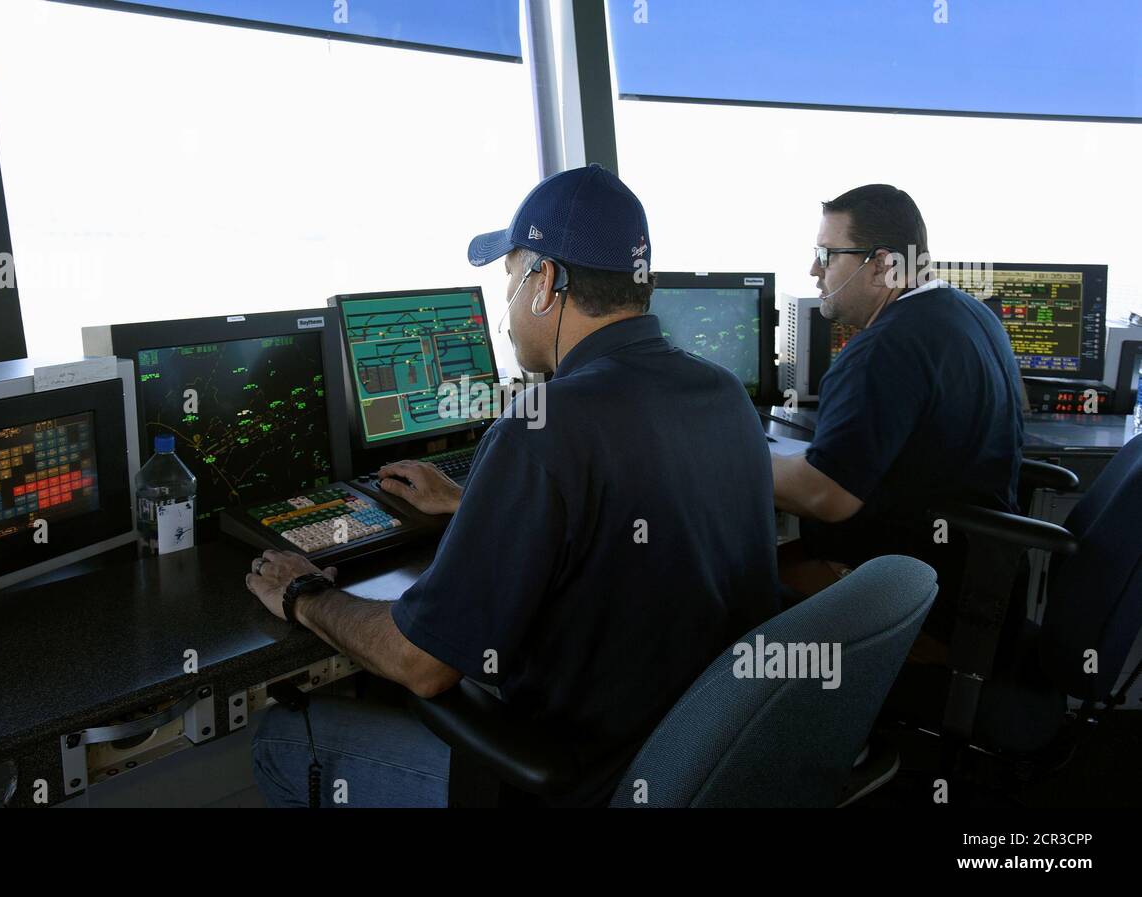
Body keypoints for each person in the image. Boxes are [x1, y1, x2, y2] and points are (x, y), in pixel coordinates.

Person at [247, 164, 780, 807]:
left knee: (282, 737)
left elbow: (420, 663)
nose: (507, 308)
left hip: (578, 779)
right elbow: (629, 523)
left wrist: (302, 594)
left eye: (510, 282)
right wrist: (478, 501)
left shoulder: (544, 427)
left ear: (546, 282)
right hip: (698, 758)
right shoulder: (721, 393)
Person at [771, 184, 1025, 649]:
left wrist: (726, 457)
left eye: (827, 255)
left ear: (883, 263)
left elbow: (828, 497)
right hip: (973, 581)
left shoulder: (886, 349)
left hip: (912, 595)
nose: (814, 270)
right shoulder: (967, 312)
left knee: (730, 585)